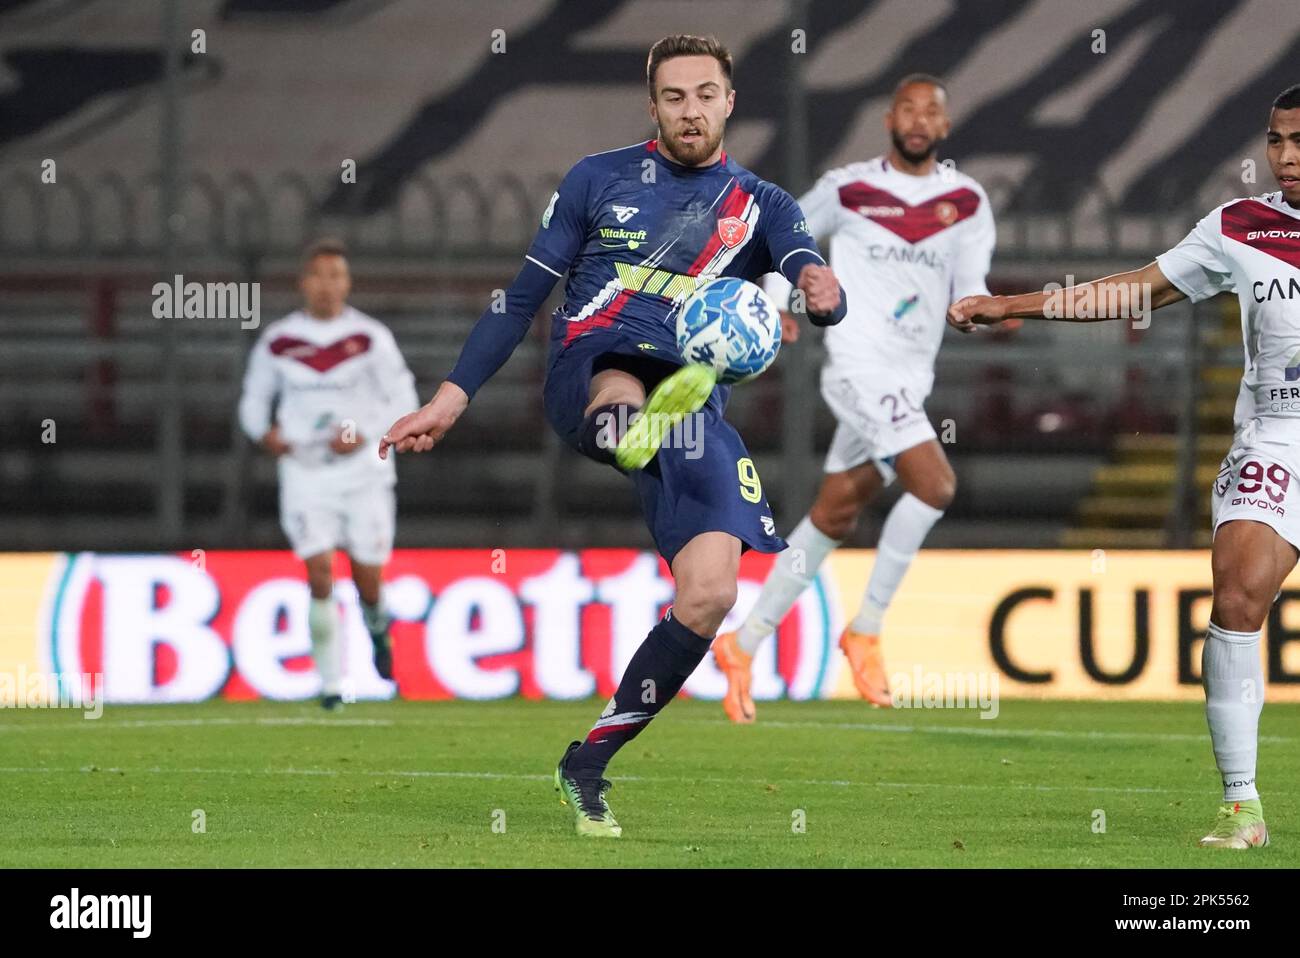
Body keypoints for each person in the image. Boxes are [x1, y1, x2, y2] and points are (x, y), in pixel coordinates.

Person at [380, 35, 846, 837]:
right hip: (593, 369)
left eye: (706, 94)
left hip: (692, 407)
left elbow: (812, 275)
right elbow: (524, 295)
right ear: (654, 105)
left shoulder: (763, 205)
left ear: (730, 102)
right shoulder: (597, 179)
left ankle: (586, 762)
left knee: (711, 594)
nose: (691, 110)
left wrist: (820, 291)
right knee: (622, 371)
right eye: (675, 97)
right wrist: (451, 398)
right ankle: (628, 422)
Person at [946, 84, 1300, 850]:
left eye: (1299, 140)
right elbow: (1136, 291)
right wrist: (1015, 305)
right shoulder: (1242, 226)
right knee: (1237, 599)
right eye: (1276, 141)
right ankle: (1242, 807)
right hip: (1280, 435)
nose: (1286, 156)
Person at [239, 239, 417, 708]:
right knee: (319, 572)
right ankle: (331, 686)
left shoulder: (372, 337)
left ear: (347, 282)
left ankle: (379, 631)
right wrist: (265, 433)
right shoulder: (279, 339)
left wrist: (368, 434)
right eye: (318, 275)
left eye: (335, 275)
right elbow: (254, 401)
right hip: (304, 471)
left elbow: (404, 401)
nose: (326, 284)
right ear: (303, 282)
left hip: (365, 472)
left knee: (367, 581)